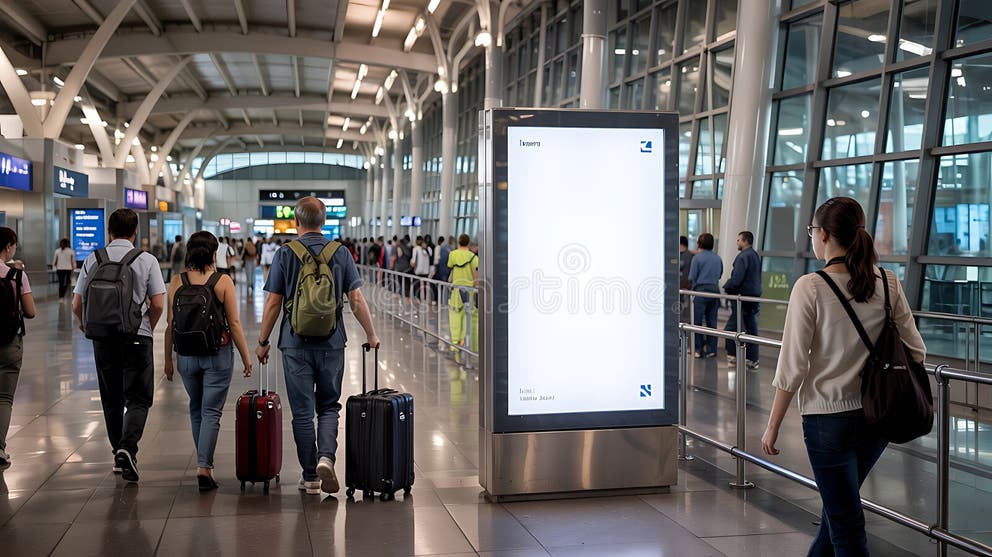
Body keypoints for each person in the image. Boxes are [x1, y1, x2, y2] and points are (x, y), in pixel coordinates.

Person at [761, 197, 926, 557]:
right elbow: (917, 350)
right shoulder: (888, 281)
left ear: (823, 234)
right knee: (837, 513)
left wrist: (773, 425)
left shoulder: (811, 286)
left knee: (846, 524)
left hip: (827, 420)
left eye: (812, 232)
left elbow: (793, 365)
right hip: (878, 417)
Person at [256, 196, 381, 495]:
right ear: (323, 222)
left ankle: (310, 476)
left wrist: (262, 341)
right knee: (328, 406)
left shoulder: (286, 254)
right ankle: (326, 456)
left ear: (296, 222)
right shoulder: (341, 253)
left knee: (302, 412)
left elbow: (273, 303)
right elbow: (356, 299)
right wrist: (371, 334)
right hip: (332, 342)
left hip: (294, 344)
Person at [72, 208, 166, 483]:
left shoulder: (93, 259)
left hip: (103, 338)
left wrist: (85, 326)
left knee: (111, 398)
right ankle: (128, 446)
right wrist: (146, 325)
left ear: (109, 231)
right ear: (135, 231)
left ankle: (118, 453)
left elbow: (77, 304)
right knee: (138, 396)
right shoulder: (146, 260)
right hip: (137, 336)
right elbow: (158, 303)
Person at [163, 231, 253, 491]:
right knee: (211, 410)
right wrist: (247, 357)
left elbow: (170, 325)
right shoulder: (222, 281)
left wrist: (168, 359)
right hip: (217, 354)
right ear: (214, 254)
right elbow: (234, 324)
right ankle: (204, 466)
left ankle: (204, 462)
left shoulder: (177, 282)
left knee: (196, 407)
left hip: (187, 357)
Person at [0, 227, 36, 469]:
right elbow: (31, 312)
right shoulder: (17, 275)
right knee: (4, 397)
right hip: (8, 340)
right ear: (8, 246)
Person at [723, 231, 762, 370]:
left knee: (732, 327)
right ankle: (751, 358)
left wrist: (727, 286)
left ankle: (733, 356)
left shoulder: (742, 257)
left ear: (745, 241)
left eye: (739, 240)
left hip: (742, 297)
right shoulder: (755, 255)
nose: (737, 242)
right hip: (753, 296)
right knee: (750, 327)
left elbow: (737, 279)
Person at [688, 233, 722, 358]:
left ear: (699, 243)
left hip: (700, 291)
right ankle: (712, 349)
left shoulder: (697, 258)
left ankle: (698, 349)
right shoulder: (717, 258)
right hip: (714, 291)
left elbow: (692, 277)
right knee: (712, 322)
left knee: (697, 322)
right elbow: (719, 275)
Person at [447, 234, 479, 349]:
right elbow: (476, 274)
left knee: (455, 314)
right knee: (469, 316)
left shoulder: (453, 254)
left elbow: (449, 265)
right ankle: (468, 342)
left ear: (459, 242)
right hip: (469, 289)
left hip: (456, 288)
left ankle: (455, 343)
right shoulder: (474, 257)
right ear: (469, 243)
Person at [678, 236, 694, 324]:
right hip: (677, 286)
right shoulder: (675, 255)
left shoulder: (690, 256)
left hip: (686, 287)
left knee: (686, 308)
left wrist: (688, 284)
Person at [411, 236, 432, 301]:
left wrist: (412, 264)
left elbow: (413, 261)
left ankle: (417, 297)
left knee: (416, 284)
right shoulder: (428, 249)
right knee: (425, 285)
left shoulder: (415, 249)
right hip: (426, 271)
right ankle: (425, 298)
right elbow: (431, 255)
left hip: (417, 270)